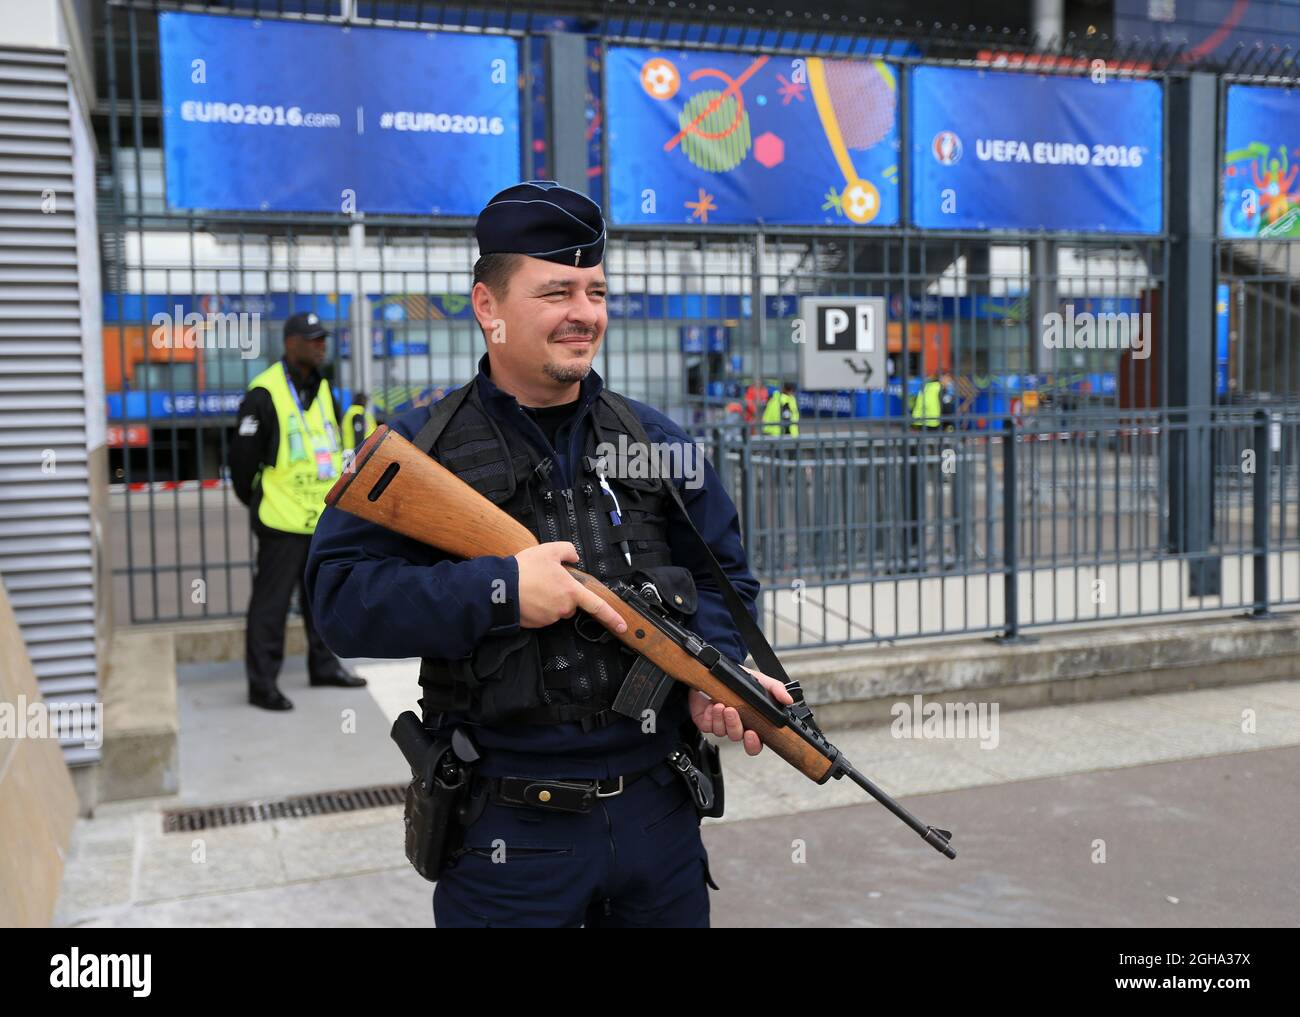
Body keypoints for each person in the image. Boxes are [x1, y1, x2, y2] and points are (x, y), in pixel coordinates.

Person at [305, 180, 793, 927]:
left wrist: (712, 676)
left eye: (595, 290)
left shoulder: (655, 441)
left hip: (660, 819)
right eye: (557, 290)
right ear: (487, 307)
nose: (585, 313)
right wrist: (499, 590)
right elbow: (338, 603)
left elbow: (723, 580)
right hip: (507, 838)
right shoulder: (418, 454)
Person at [229, 312, 367, 711]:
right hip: (281, 521)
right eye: (312, 339)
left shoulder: (324, 388)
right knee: (271, 606)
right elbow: (241, 462)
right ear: (290, 344)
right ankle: (263, 685)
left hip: (321, 518)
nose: (321, 345)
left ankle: (324, 666)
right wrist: (256, 501)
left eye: (323, 338)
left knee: (320, 598)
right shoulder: (264, 394)